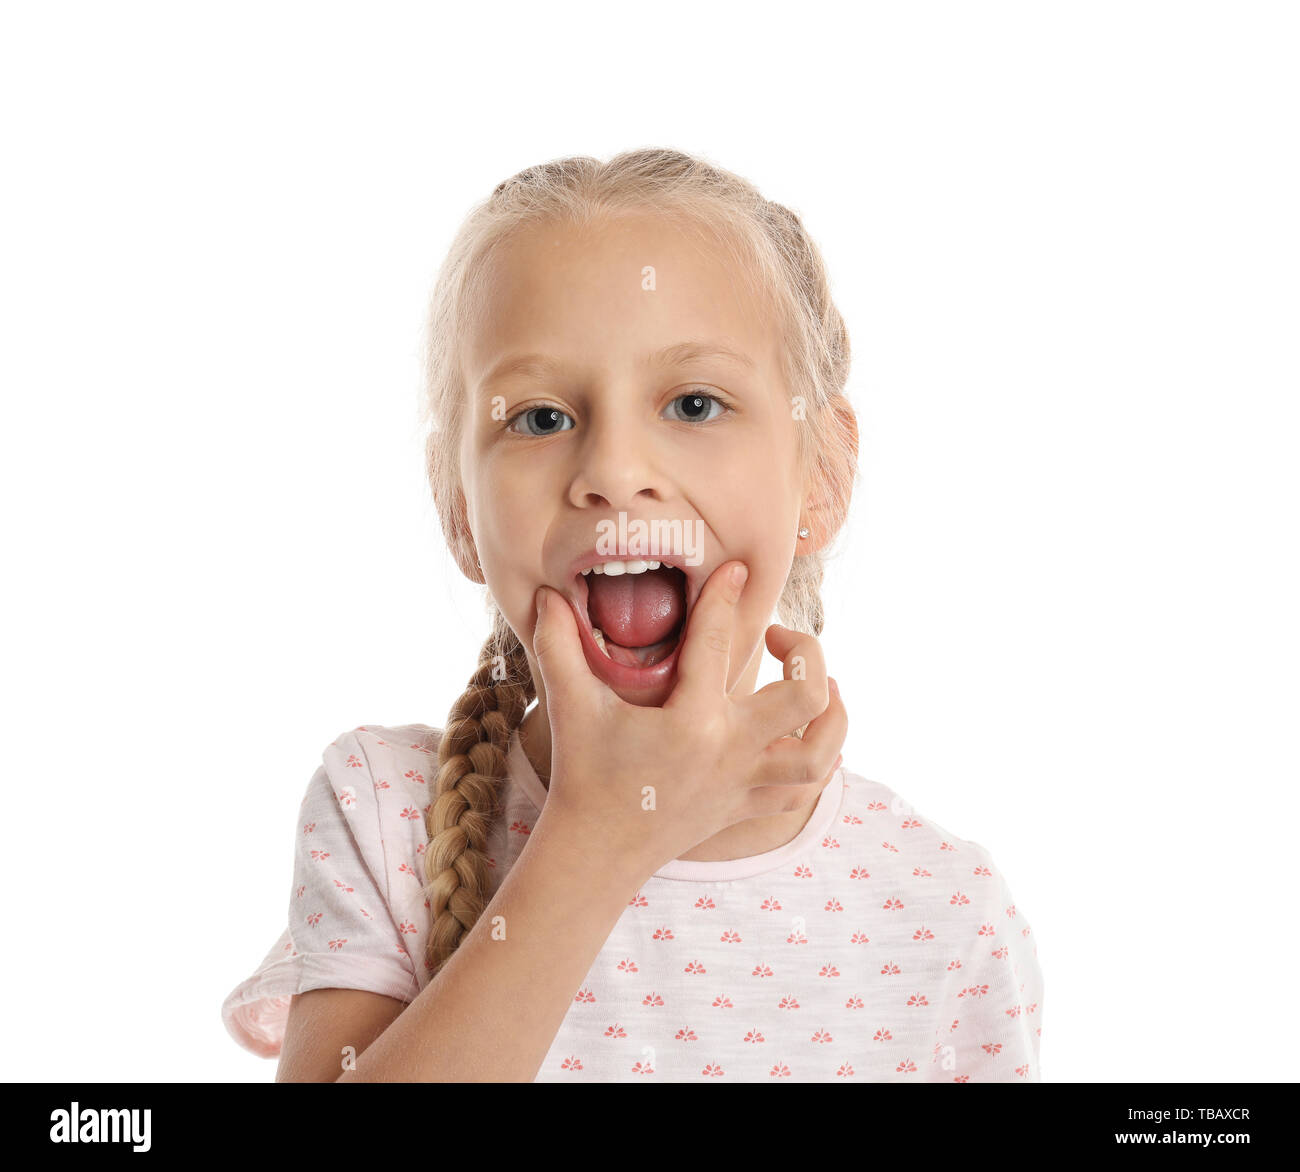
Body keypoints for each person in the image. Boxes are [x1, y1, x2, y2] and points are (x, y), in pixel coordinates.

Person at [221, 148, 1045, 1082]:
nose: (612, 471)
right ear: (458, 508)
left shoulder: (942, 913)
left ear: (820, 474)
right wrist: (601, 835)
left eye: (695, 403)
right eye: (538, 418)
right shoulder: (385, 810)